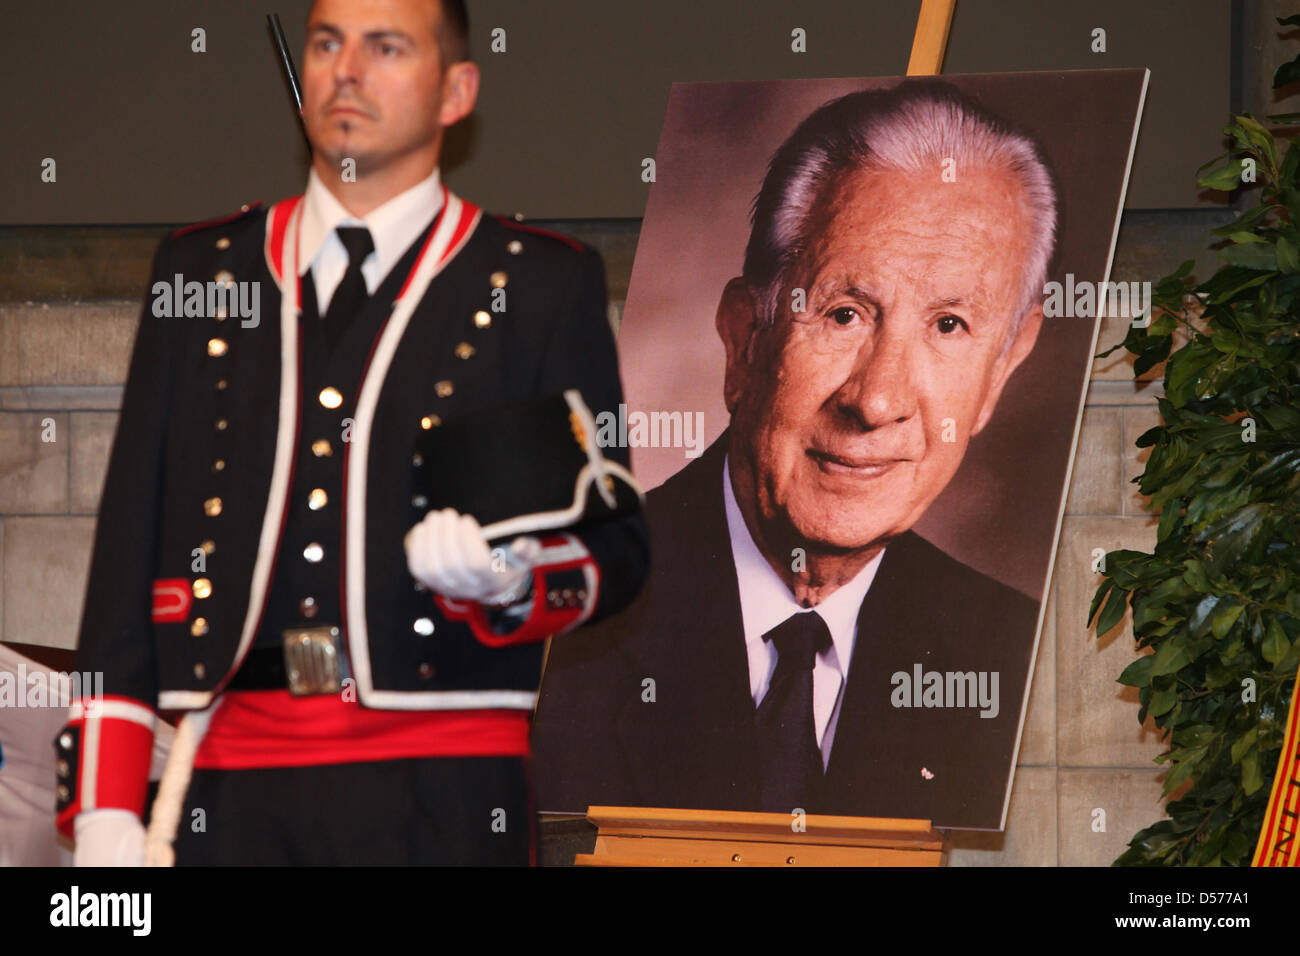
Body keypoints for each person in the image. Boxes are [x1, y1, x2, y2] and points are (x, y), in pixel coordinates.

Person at [58, 0, 647, 865]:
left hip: (444, 797)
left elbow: (619, 551)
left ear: (457, 92)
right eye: (327, 43)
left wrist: (511, 577)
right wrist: (105, 810)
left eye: (386, 47)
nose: (347, 69)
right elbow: (124, 563)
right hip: (227, 789)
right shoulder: (202, 272)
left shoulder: (539, 284)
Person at [533, 81, 1054, 830]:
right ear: (746, 339)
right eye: (844, 313)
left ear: (1002, 370)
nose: (876, 402)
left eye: (948, 326)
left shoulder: (1010, 652)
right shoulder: (560, 628)